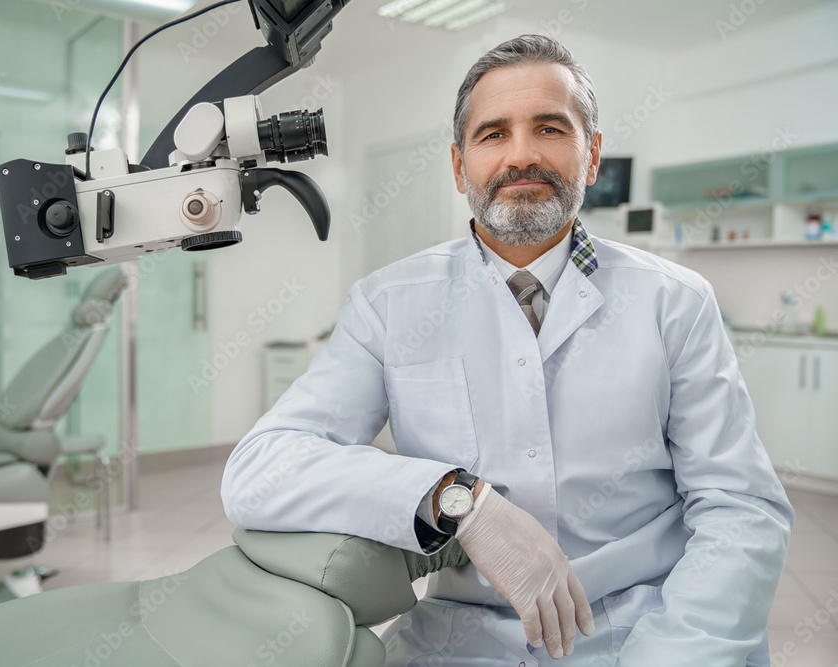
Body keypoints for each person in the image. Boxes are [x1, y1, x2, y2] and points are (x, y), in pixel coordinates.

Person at [221, 34, 793, 667]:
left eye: (550, 129)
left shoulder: (675, 301)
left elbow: (739, 506)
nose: (521, 156)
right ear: (460, 164)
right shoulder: (388, 305)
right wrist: (456, 498)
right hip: (460, 641)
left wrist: (674, 651)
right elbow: (261, 470)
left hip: (641, 628)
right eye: (493, 135)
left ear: (592, 155)